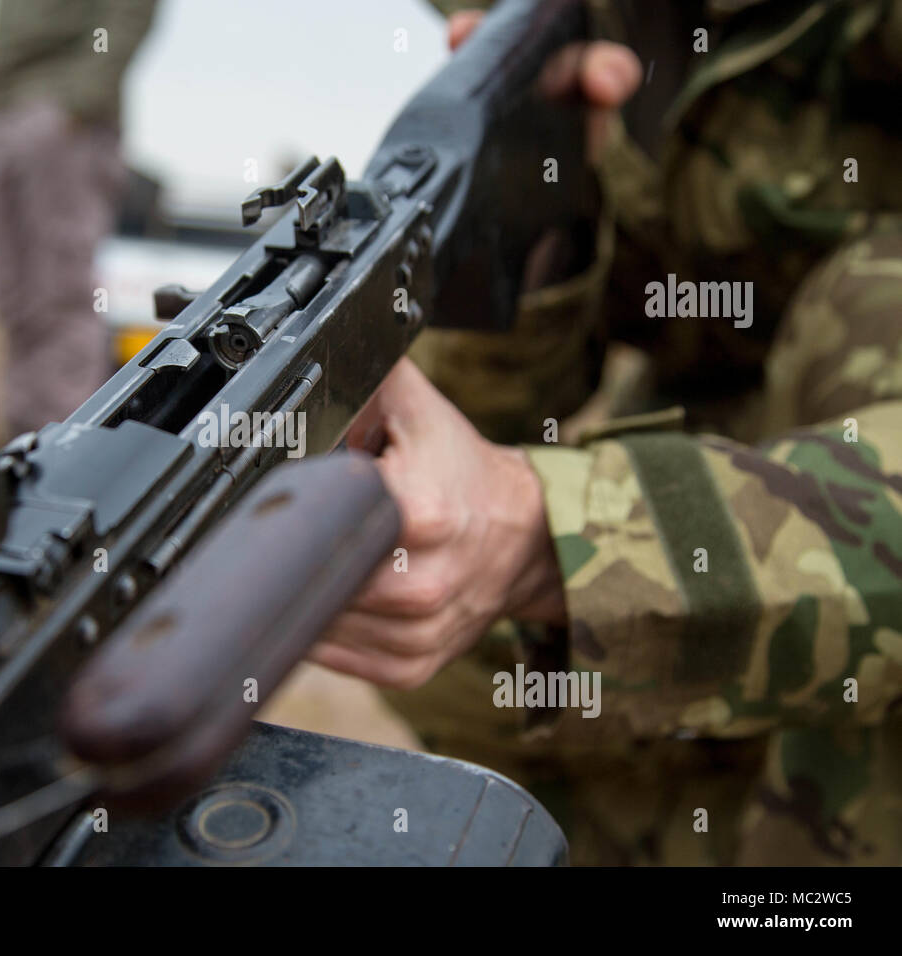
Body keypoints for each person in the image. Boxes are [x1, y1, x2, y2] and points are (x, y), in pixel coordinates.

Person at [315, 1, 902, 864]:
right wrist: (540, 218)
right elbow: (512, 407)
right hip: (718, 462)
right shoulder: (603, 22)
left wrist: (553, 536)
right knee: (482, 653)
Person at [0, 0, 158, 437]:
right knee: (16, 305)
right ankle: (24, 456)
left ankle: (63, 463)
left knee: (58, 300)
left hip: (60, 119)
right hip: (3, 108)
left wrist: (76, 103)